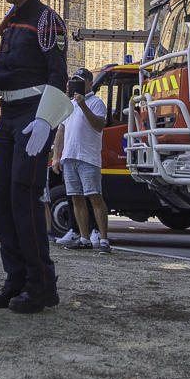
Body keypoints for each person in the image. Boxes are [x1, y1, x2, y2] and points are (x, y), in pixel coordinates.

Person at [0, 0, 71, 314]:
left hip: (33, 113)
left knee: (23, 197)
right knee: (0, 199)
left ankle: (41, 283)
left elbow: (58, 75)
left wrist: (45, 120)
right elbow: (6, 78)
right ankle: (15, 278)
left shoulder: (47, 20)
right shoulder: (10, 22)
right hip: (9, 112)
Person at [51, 68, 111, 253]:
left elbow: (99, 126)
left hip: (87, 157)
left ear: (90, 83)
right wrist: (56, 157)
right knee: (75, 198)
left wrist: (83, 105)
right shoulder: (69, 105)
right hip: (70, 156)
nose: (75, 83)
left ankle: (103, 240)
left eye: (80, 80)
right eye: (74, 80)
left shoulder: (96, 102)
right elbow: (61, 131)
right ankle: (83, 237)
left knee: (95, 197)